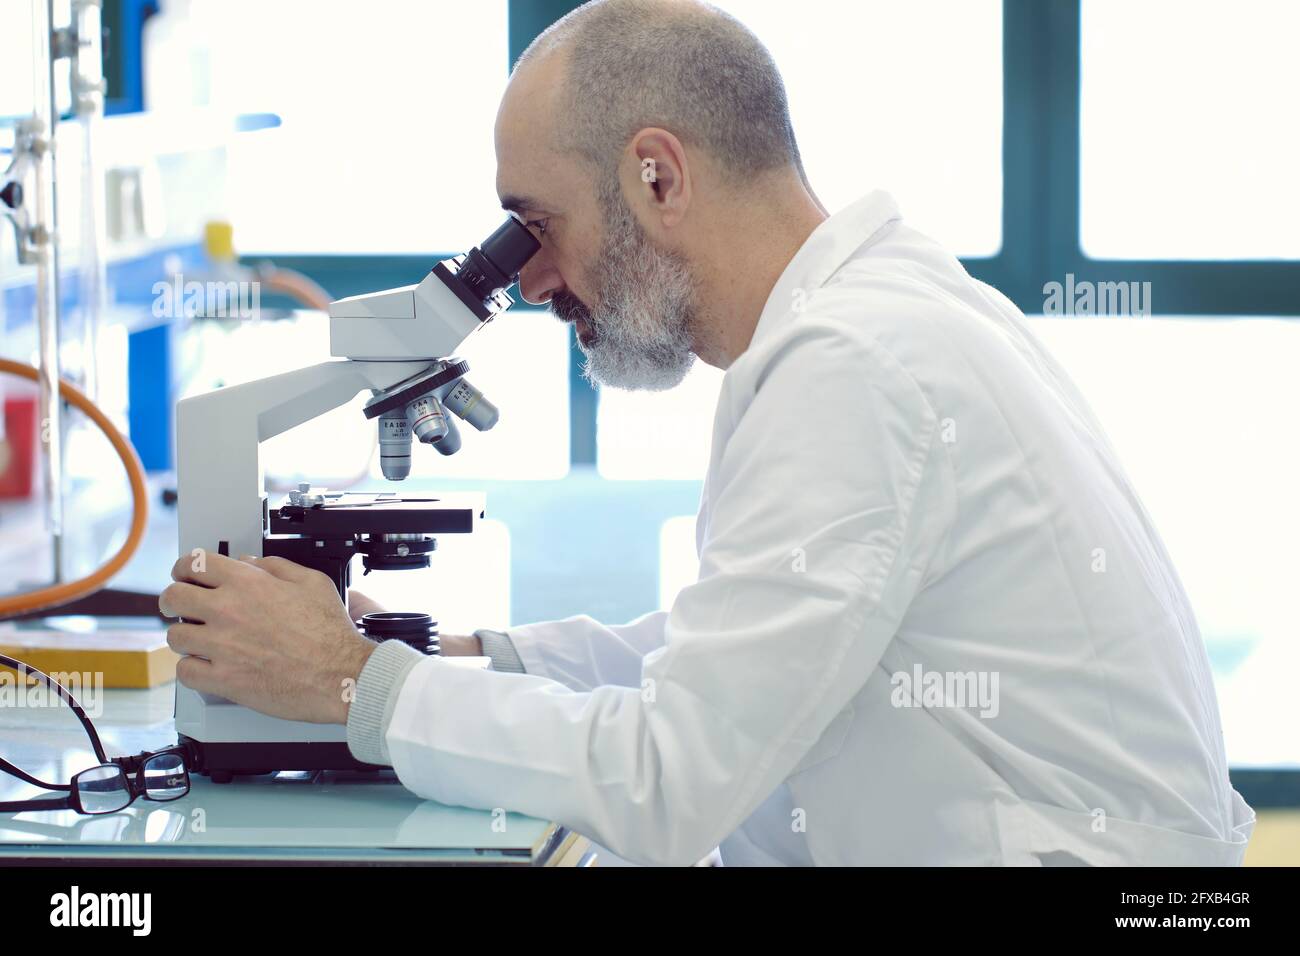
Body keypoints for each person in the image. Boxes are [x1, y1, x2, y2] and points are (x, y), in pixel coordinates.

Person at [160, 0, 1254, 865]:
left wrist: (354, 683)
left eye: (535, 226)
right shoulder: (880, 312)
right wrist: (465, 656)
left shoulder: (851, 365)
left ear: (657, 175)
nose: (528, 280)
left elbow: (670, 781)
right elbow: (740, 653)